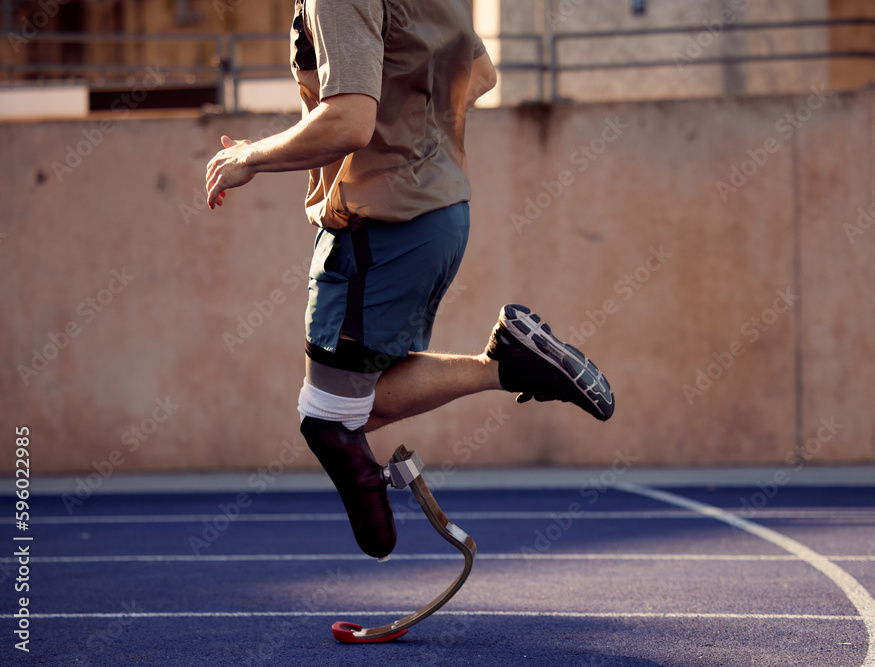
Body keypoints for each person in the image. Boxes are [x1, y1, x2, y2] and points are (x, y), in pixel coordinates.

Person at [204, 0, 614, 560]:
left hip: (379, 224)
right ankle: (510, 363)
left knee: (329, 421)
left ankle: (508, 365)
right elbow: (482, 76)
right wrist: (414, 134)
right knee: (351, 403)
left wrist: (252, 155)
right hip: (439, 212)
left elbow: (349, 120)